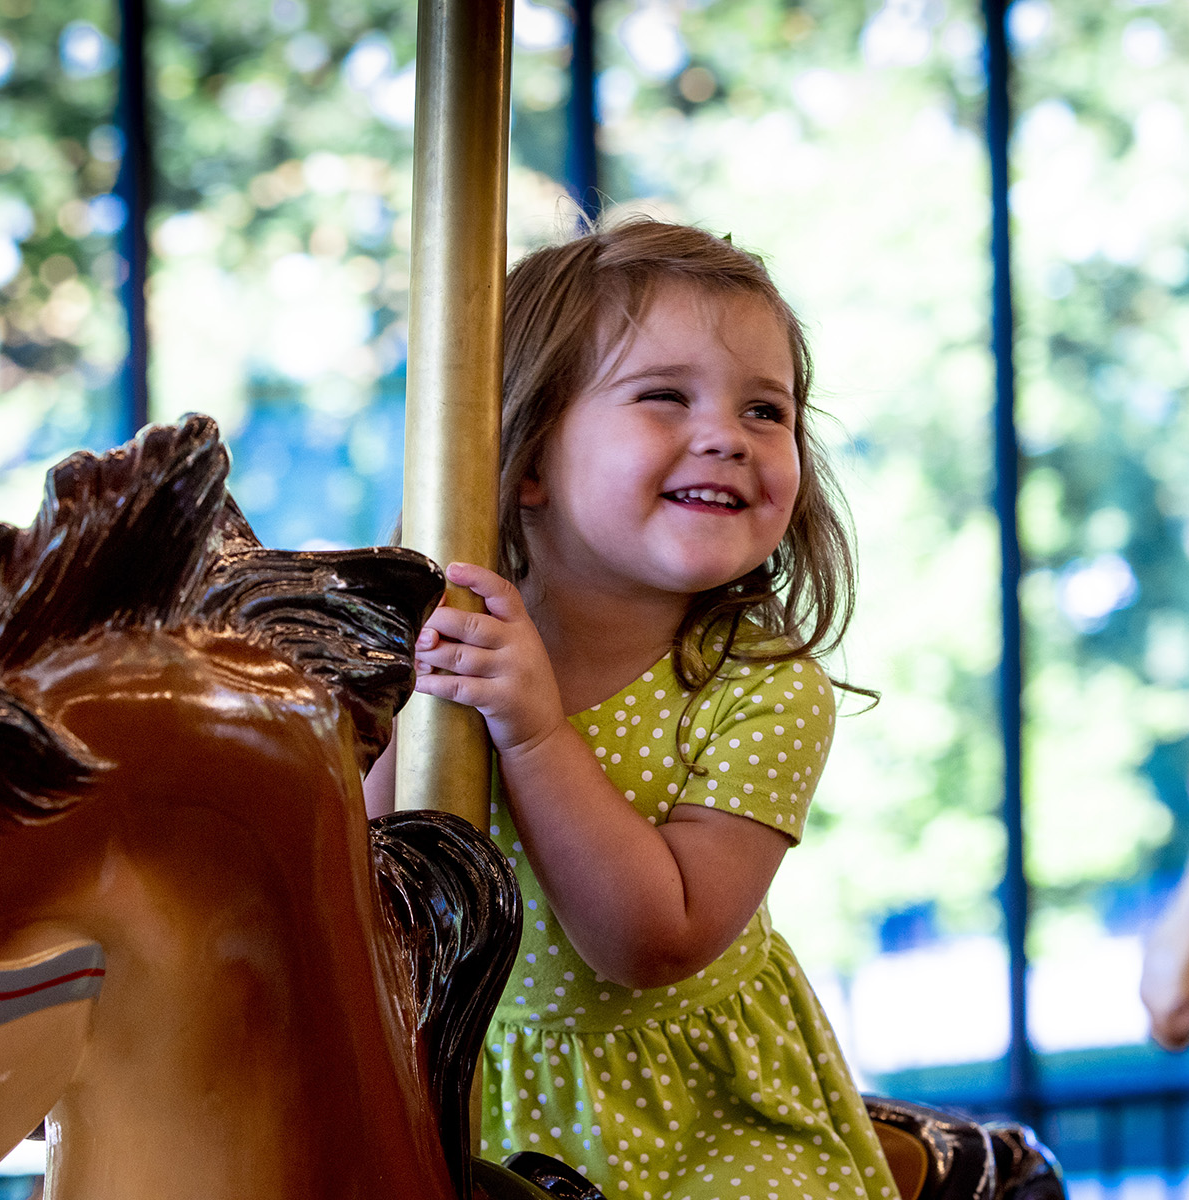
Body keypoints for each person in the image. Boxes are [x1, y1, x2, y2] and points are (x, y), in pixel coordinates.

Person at [365, 219, 893, 1200]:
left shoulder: (760, 686)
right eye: (664, 396)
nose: (728, 436)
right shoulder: (437, 652)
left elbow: (654, 940)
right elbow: (362, 884)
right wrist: (404, 691)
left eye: (768, 411)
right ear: (526, 457)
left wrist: (531, 731)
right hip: (461, 1090)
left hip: (695, 1128)